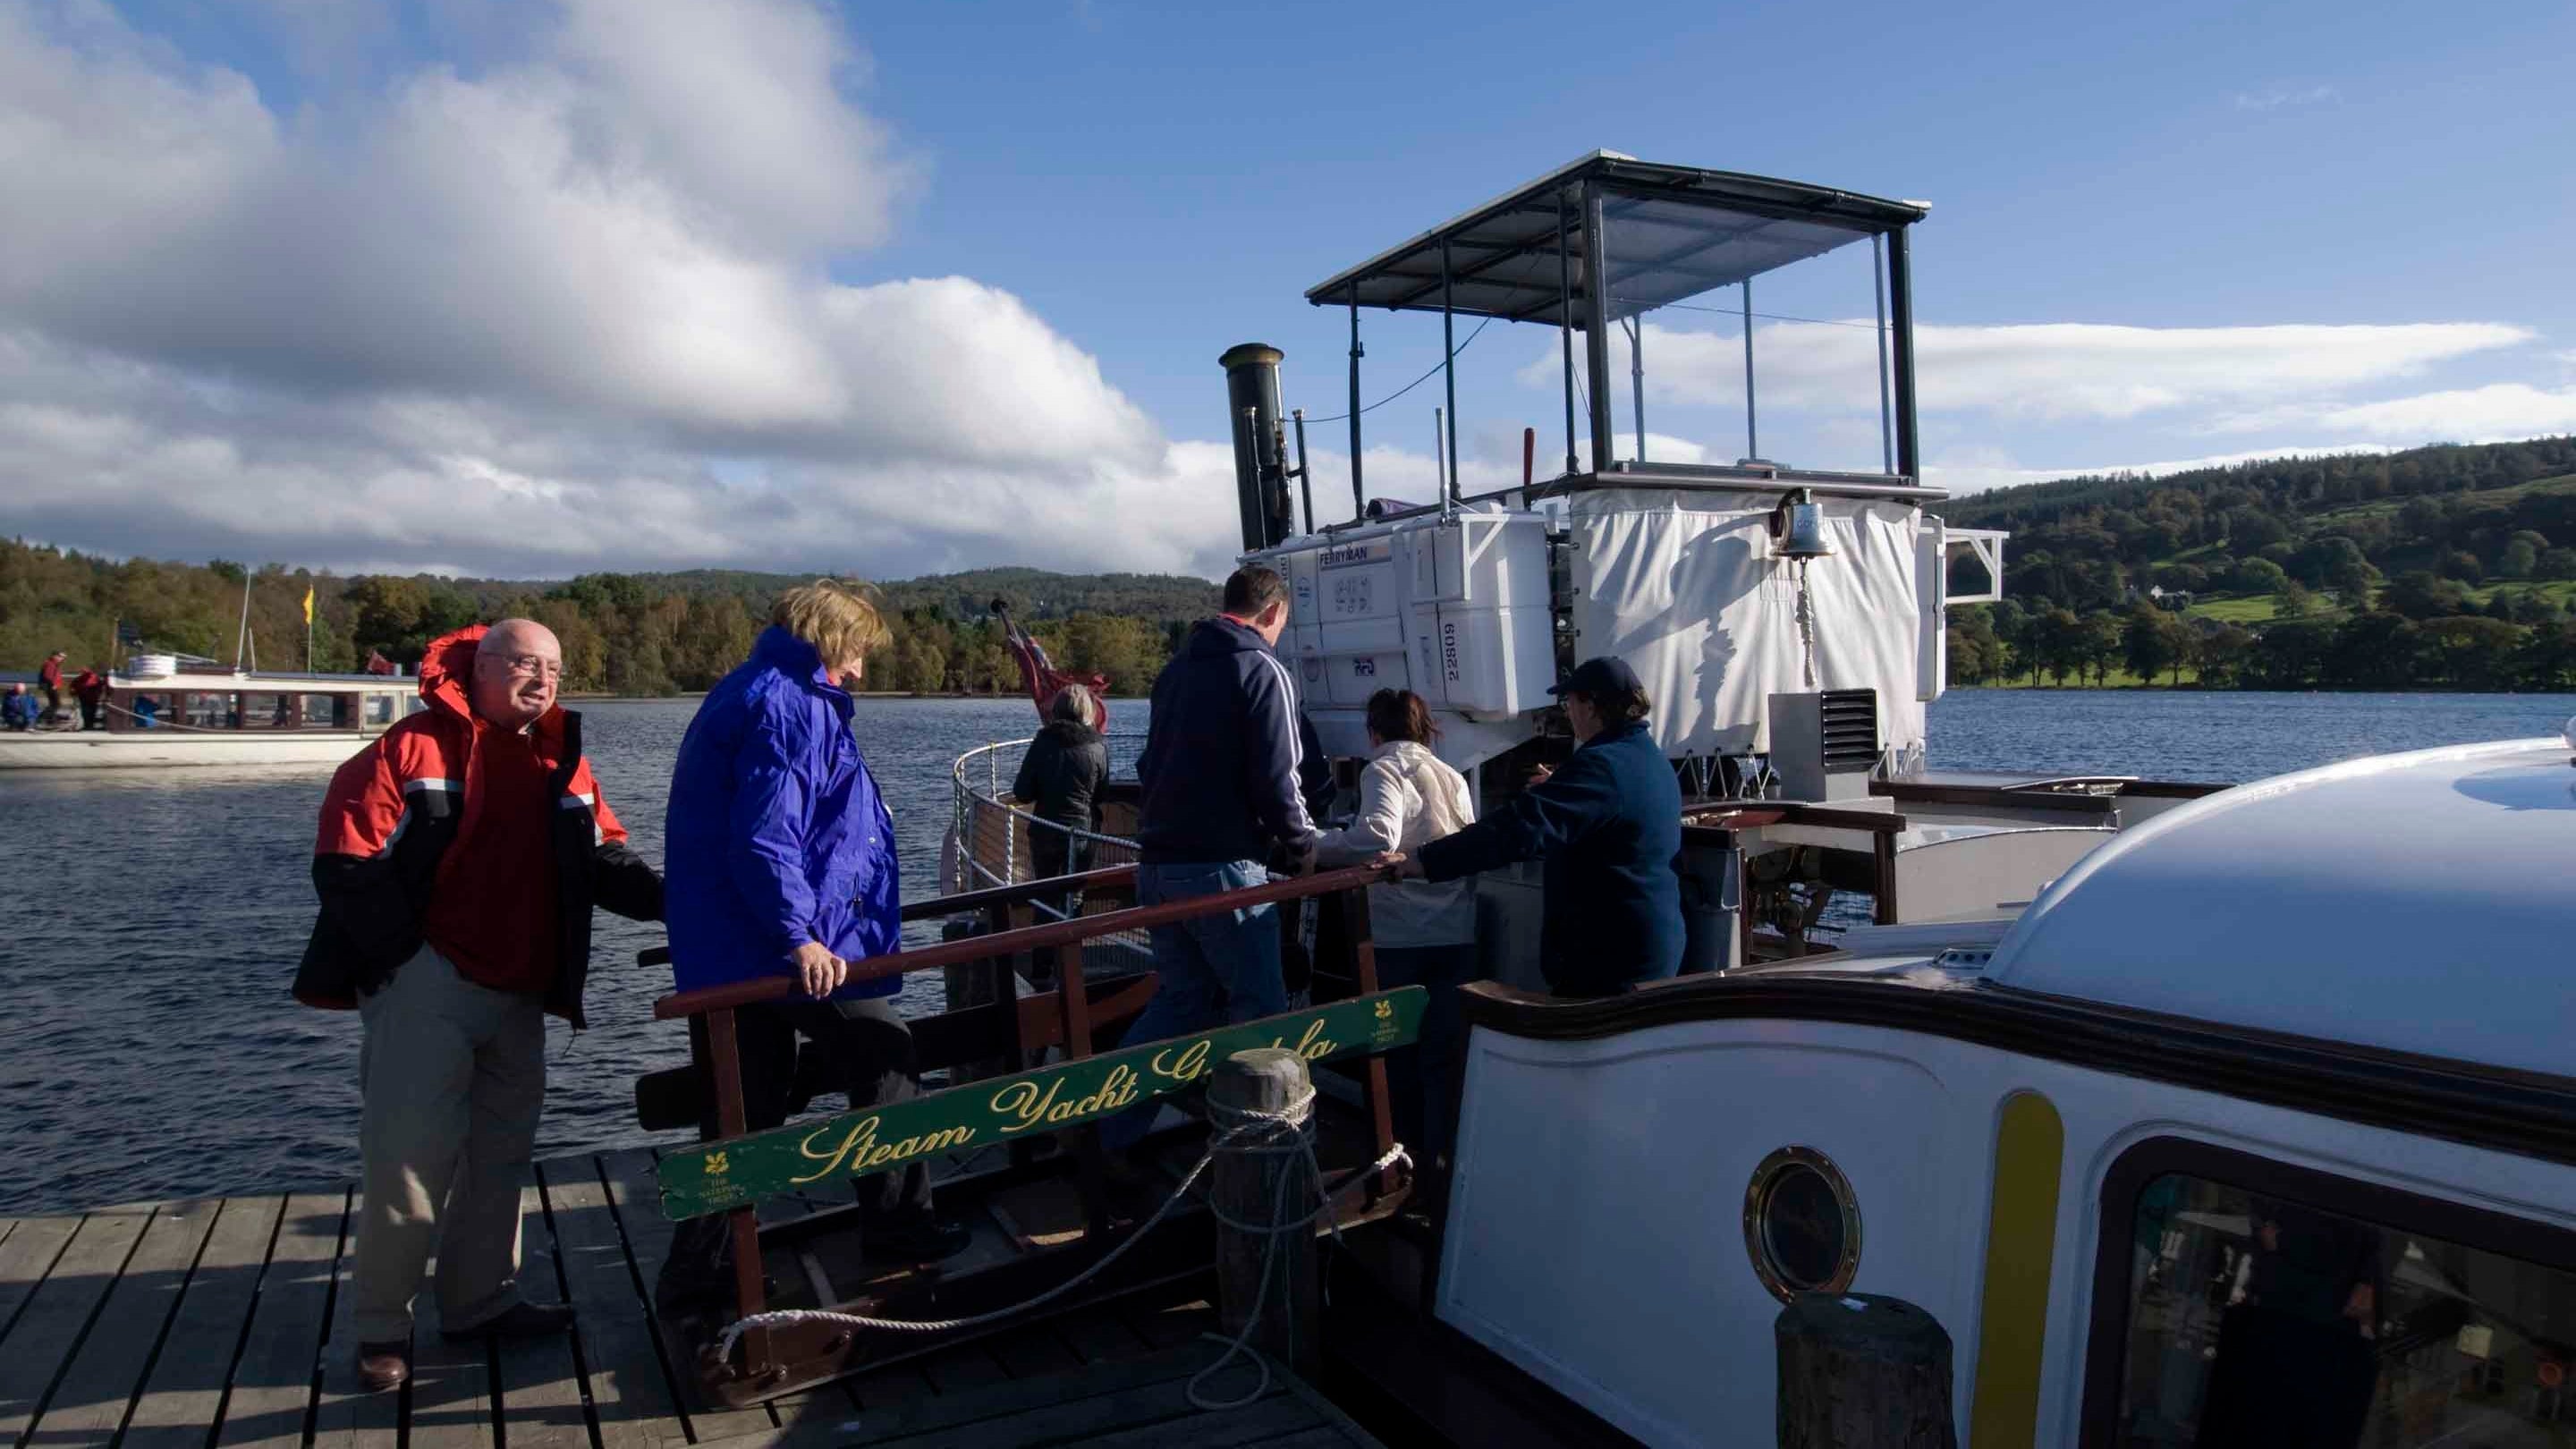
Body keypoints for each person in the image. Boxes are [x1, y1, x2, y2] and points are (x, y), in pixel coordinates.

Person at [293, 620, 665, 1394]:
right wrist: (406, 957)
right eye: (526, 664)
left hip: (521, 992)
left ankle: (478, 1303)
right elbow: (344, 861)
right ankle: (380, 1332)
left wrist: (686, 903)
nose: (543, 680)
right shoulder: (411, 748)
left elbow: (607, 858)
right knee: (408, 1161)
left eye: (555, 667)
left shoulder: (561, 758)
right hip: (428, 988)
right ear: (482, 668)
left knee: (500, 1156)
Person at [656, 582, 970, 1312]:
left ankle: (696, 1269)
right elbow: (766, 836)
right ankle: (897, 1224)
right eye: (856, 651)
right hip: (769, 948)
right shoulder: (788, 703)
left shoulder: (759, 689)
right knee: (885, 1054)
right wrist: (798, 934)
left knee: (747, 1105)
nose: (860, 670)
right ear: (828, 639)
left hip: (740, 942)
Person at [1101, 564, 1320, 1158]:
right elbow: (1280, 780)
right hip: (1222, 869)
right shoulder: (1262, 668)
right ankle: (1260, 1153)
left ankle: (1104, 1133)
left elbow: (1150, 766)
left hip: (1159, 864)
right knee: (1260, 1014)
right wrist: (1305, 846)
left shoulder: (1176, 671)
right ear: (1274, 613)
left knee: (1182, 1002)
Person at [1392, 656, 1682, 997]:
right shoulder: (1647, 757)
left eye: (1570, 702)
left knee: (1585, 1048)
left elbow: (1520, 827)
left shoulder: (1602, 767)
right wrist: (1562, 785)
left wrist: (1425, 860)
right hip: (1647, 946)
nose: (1568, 712)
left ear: (1591, 707)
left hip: (1609, 958)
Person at [1310, 689, 1476, 1166]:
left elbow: (1379, 834)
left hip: (1401, 931)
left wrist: (1316, 843)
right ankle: (1442, 1161)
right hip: (1456, 929)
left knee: (1397, 1052)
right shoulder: (1452, 776)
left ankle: (1401, 1156)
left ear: (1375, 731)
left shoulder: (1383, 766)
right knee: (1442, 1056)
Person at [1012, 682, 1109, 890]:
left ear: (1057, 710)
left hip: (1045, 831)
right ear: (1087, 711)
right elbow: (1101, 795)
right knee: (1074, 895)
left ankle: (1047, 920)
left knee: (1044, 892)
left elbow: (1022, 793)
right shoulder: (1098, 747)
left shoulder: (1042, 743)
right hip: (1082, 832)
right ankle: (1073, 919)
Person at [72, 666, 106, 730]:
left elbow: (100, 686)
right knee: (86, 712)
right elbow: (73, 687)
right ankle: (88, 725)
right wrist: (74, 692)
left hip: (92, 698)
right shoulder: (79, 679)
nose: (84, 673)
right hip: (85, 698)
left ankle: (89, 725)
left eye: (85, 672)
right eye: (83, 672)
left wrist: (99, 694)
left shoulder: (95, 678)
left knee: (90, 712)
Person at [37, 650, 65, 723]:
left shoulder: (54, 664)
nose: (62, 659)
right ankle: (41, 718)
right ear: (55, 656)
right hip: (50, 686)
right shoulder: (50, 664)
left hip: (51, 686)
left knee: (53, 704)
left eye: (63, 657)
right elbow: (48, 676)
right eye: (60, 657)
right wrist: (54, 685)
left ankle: (50, 719)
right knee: (56, 704)